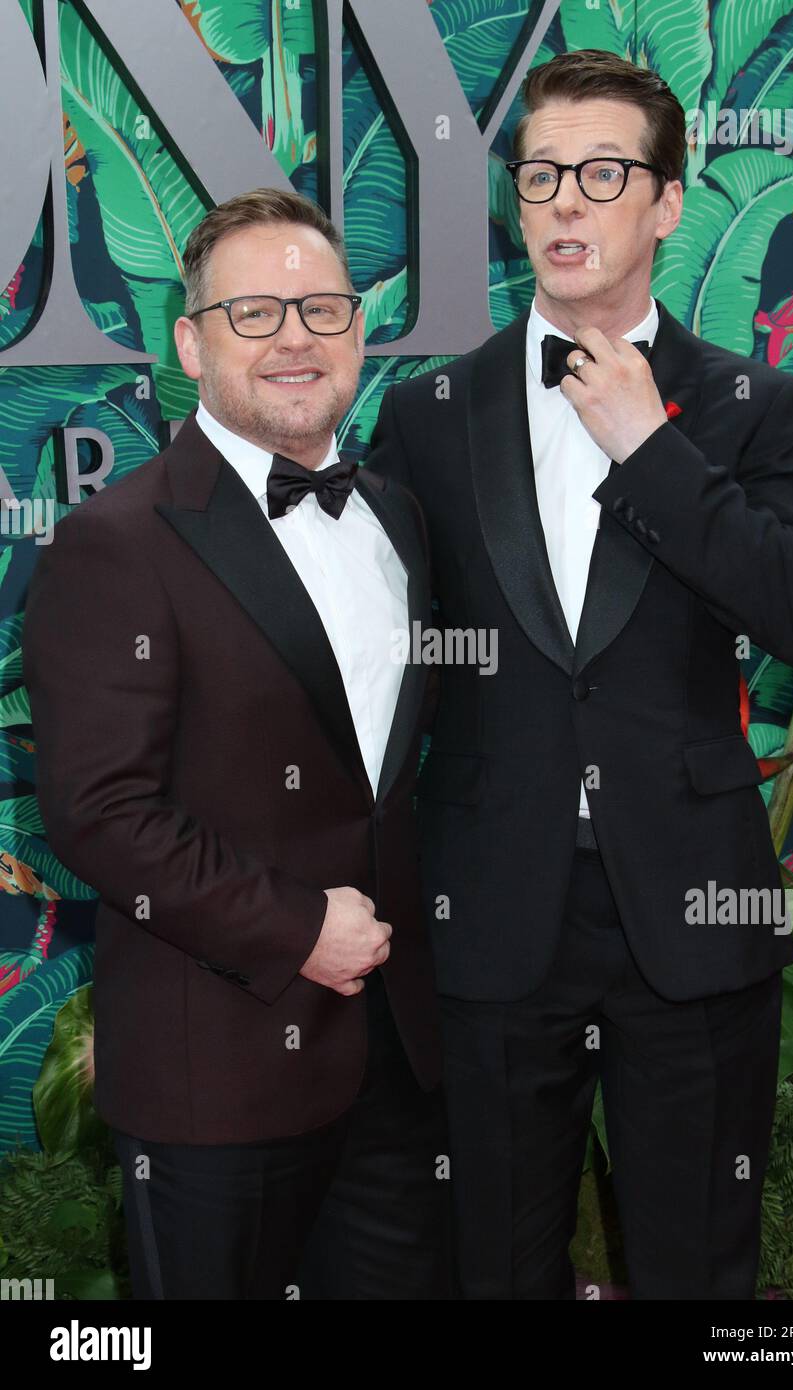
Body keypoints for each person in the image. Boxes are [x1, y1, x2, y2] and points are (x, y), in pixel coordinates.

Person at [366, 50, 793, 1300]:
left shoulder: (754, 405)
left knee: (697, 1267)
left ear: (669, 202)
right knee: (495, 1266)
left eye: (601, 172)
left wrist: (651, 450)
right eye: (540, 176)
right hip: (490, 911)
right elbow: (364, 660)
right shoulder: (429, 411)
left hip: (689, 913)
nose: (567, 203)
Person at [23, 187, 451, 1300]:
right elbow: (97, 811)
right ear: (190, 342)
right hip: (217, 1075)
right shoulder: (115, 542)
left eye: (322, 307)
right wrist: (300, 927)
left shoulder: (398, 518)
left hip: (401, 1068)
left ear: (359, 329)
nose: (296, 337)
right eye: (254, 312)